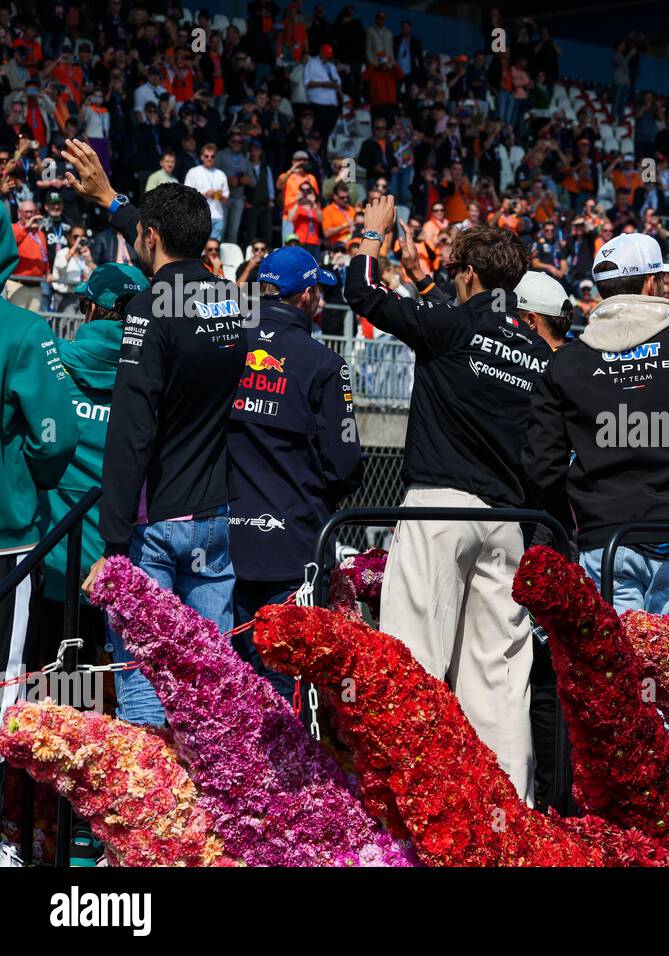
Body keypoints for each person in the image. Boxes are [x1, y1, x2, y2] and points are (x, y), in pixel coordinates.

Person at [343, 195, 547, 801]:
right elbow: (463, 330)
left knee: (412, 660)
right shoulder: (537, 352)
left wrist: (371, 239)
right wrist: (428, 282)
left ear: (470, 274)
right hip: (508, 522)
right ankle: (509, 816)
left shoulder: (452, 326)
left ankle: (411, 804)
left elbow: (360, 293)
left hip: (439, 509)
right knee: (500, 679)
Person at [65, 141, 247, 728]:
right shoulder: (234, 302)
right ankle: (215, 810)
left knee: (145, 686)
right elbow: (173, 258)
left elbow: (131, 432)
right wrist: (114, 203)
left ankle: (150, 819)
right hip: (217, 518)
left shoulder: (148, 310)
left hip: (157, 528)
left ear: (147, 237)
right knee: (211, 684)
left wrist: (113, 547)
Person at [524, 234, 669, 631]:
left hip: (604, 544)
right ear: (652, 285)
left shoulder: (566, 364)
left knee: (616, 682)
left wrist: (581, 519)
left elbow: (541, 468)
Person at [227, 247, 364, 701]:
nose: (322, 299)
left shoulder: (224, 343)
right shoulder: (324, 364)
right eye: (319, 290)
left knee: (224, 687)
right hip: (294, 547)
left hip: (221, 546)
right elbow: (345, 464)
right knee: (282, 687)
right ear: (305, 295)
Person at [29, 264, 148, 673]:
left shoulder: (49, 365)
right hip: (124, 568)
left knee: (50, 705)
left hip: (51, 560)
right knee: (114, 712)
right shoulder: (156, 380)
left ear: (90, 311)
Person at [0, 197, 79, 720]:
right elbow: (54, 437)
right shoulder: (24, 330)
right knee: (6, 680)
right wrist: (32, 480)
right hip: (7, 537)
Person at [513, 269, 573, 351]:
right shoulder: (580, 356)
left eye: (513, 313)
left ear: (531, 320)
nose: (508, 319)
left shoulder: (517, 360)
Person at [183, 142, 229, 241]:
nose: (209, 158)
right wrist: (204, 194)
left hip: (217, 215)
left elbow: (226, 198)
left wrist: (219, 196)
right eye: (206, 156)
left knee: (214, 247)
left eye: (212, 156)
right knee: (200, 247)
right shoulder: (193, 172)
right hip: (199, 215)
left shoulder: (221, 174)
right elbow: (186, 194)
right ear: (201, 157)